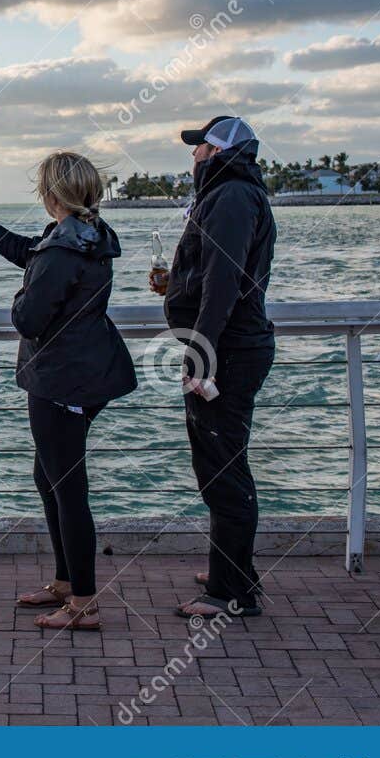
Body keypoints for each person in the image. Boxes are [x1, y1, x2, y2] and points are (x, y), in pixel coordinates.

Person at [0, 151, 137, 630]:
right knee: (49, 479)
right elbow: (26, 251)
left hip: (62, 379)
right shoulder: (87, 237)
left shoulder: (64, 248)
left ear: (53, 194)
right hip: (88, 370)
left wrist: (20, 295)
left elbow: (28, 317)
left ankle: (84, 603)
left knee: (67, 489)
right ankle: (67, 582)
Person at [156, 116, 277, 620]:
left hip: (225, 352)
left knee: (222, 470)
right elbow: (213, 275)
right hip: (230, 347)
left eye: (200, 147)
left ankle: (232, 593)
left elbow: (224, 282)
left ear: (221, 151)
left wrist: (201, 354)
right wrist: (177, 286)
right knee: (223, 465)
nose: (194, 156)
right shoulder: (233, 194)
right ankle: (234, 569)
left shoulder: (228, 198)